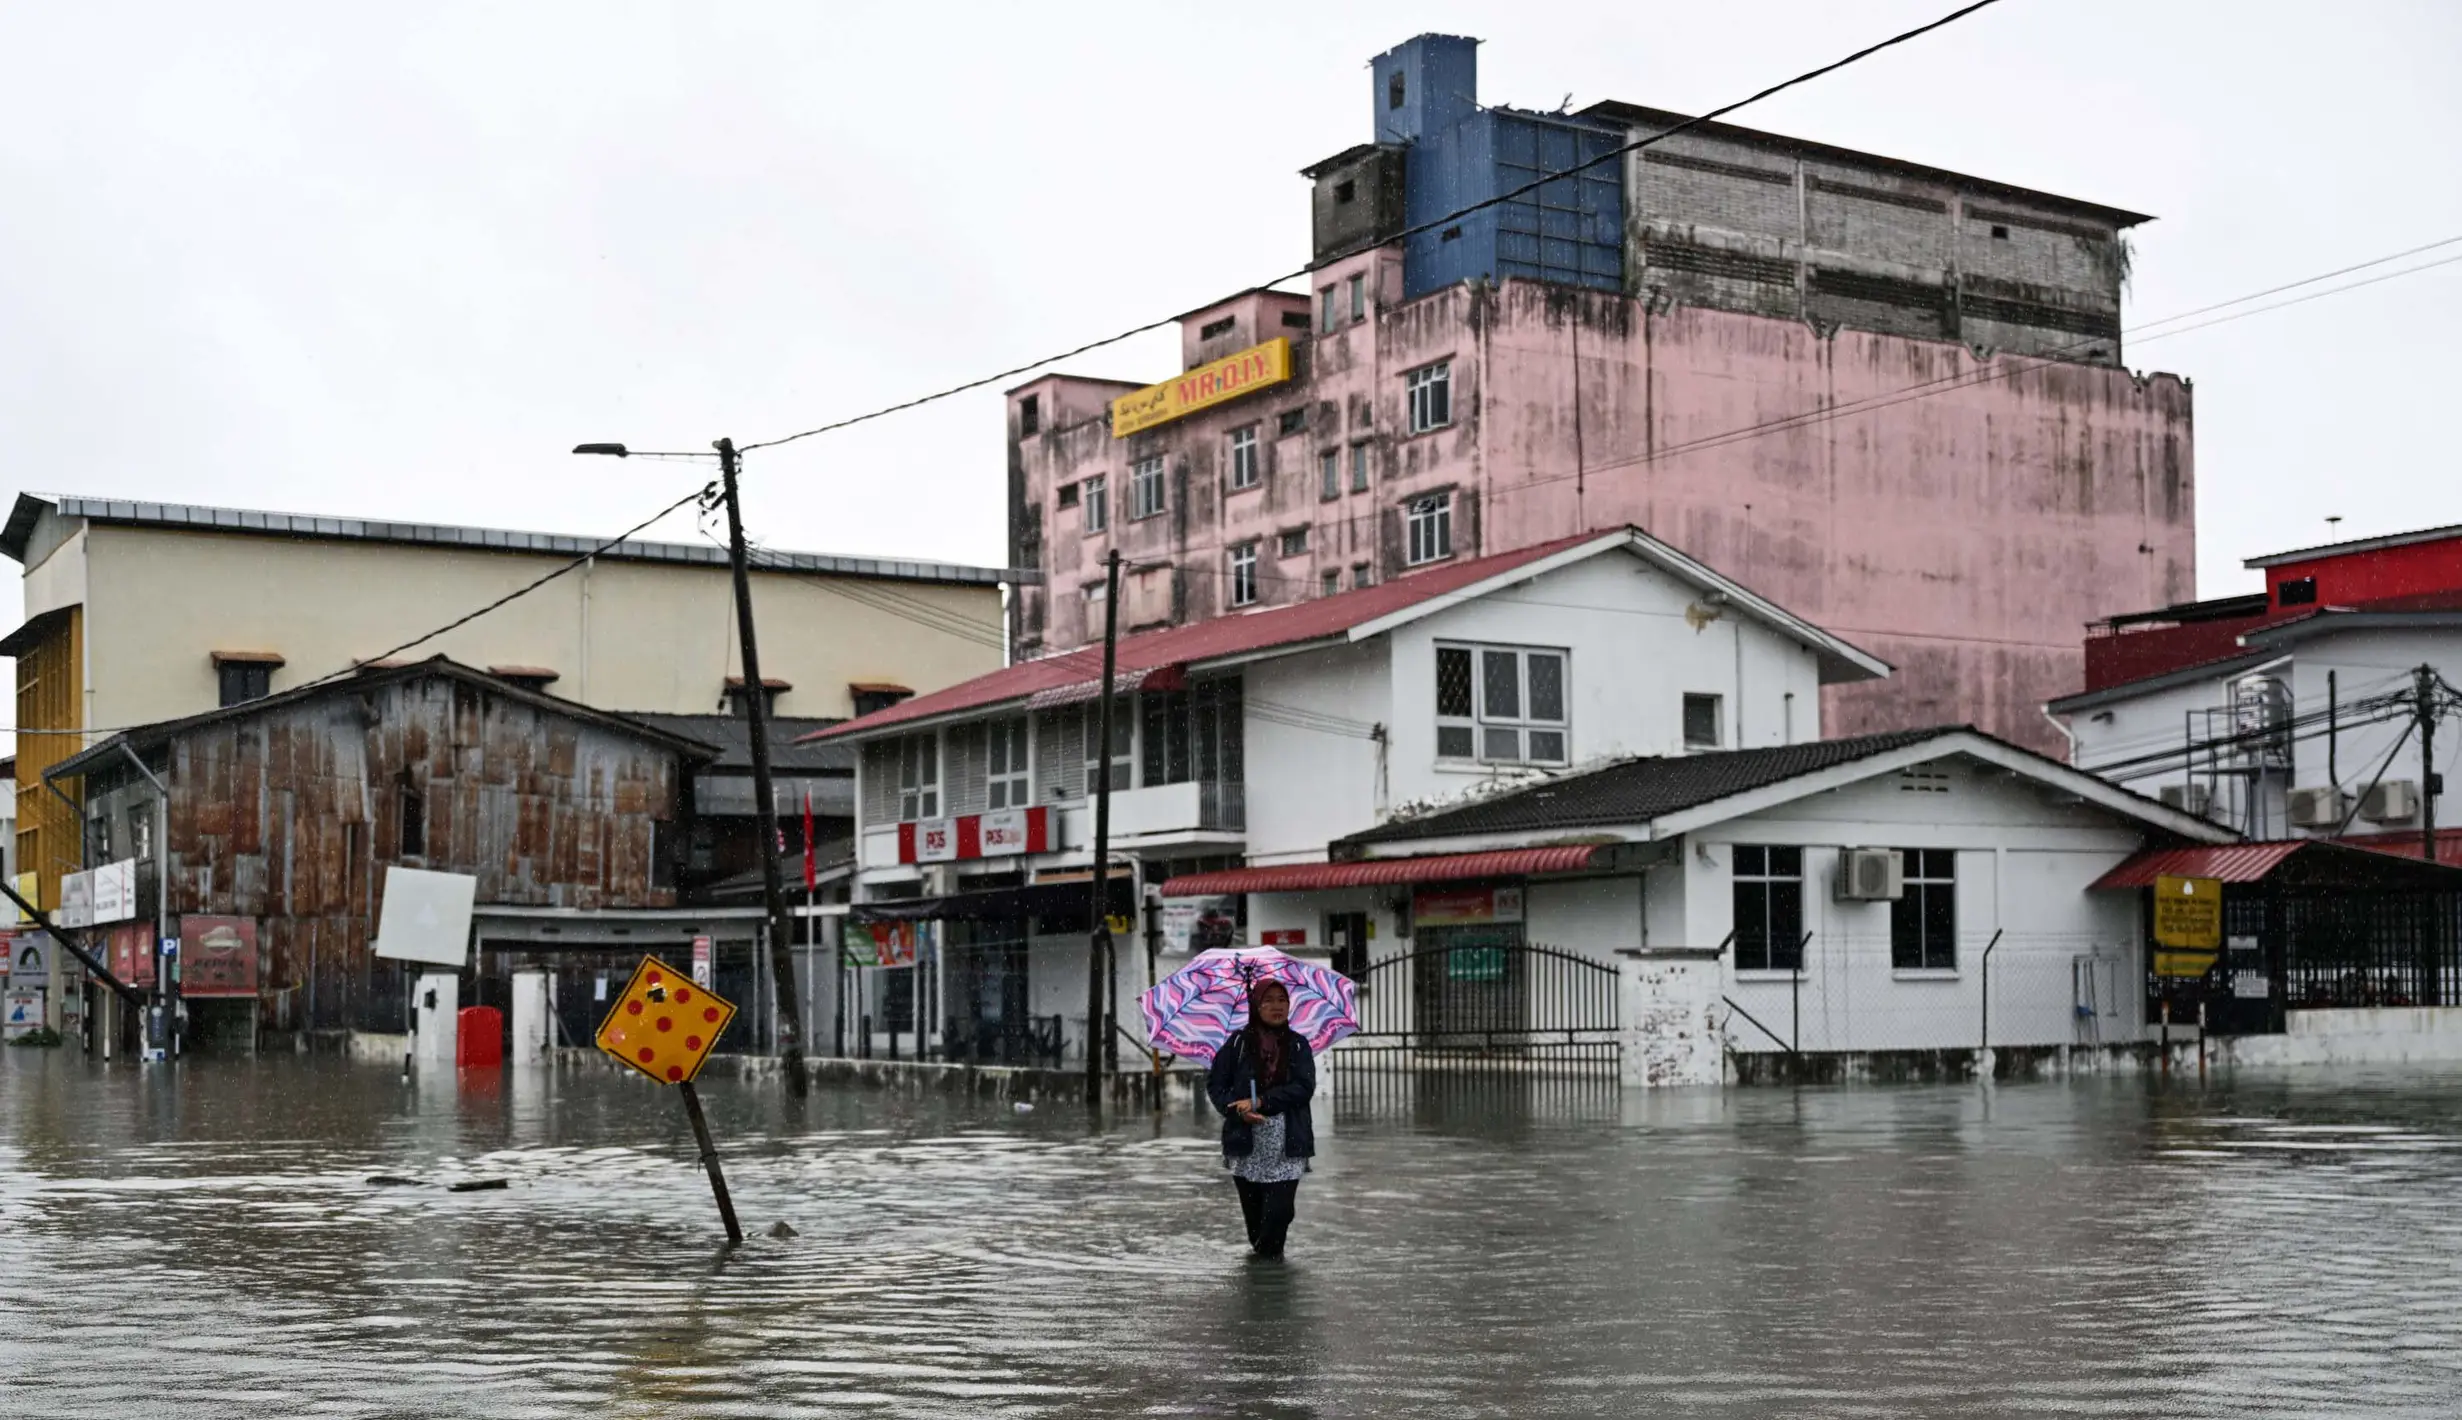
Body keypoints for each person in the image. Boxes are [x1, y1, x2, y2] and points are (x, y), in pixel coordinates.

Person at [1206, 978, 1316, 1259]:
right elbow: (1216, 1085)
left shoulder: (1299, 1045)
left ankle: (1271, 1277)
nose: (1277, 1006)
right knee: (1256, 1225)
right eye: (1268, 1000)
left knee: (1280, 1213)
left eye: (1282, 1000)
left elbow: (1304, 1088)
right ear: (1256, 1006)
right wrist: (1237, 1109)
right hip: (1247, 1144)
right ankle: (1263, 1283)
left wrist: (1262, 1101)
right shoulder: (1239, 1044)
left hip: (1287, 1143)